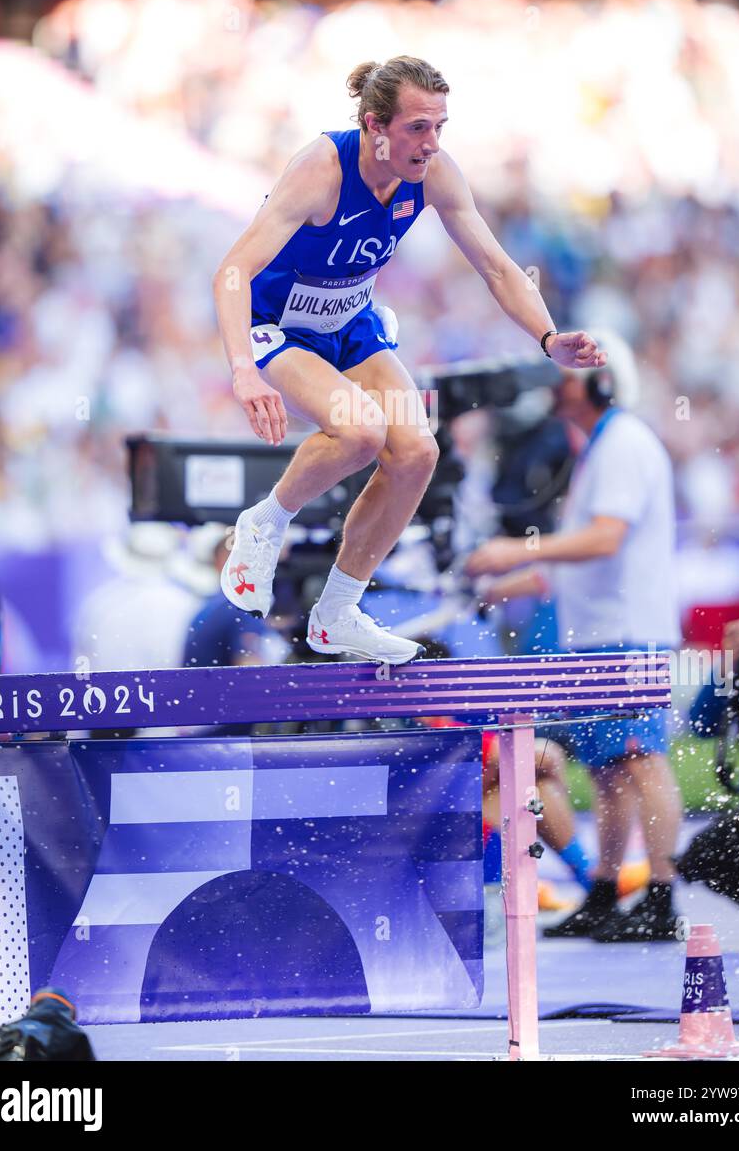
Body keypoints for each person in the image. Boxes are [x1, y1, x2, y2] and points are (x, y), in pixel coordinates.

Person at [212, 56, 606, 664]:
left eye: (440, 127)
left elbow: (498, 267)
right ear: (375, 126)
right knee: (360, 430)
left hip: (351, 323)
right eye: (417, 129)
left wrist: (549, 338)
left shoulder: (436, 174)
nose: (431, 145)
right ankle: (264, 524)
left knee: (417, 451)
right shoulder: (320, 169)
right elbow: (234, 269)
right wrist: (242, 367)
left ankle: (337, 612)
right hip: (277, 324)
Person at [465, 330, 683, 941]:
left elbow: (604, 539)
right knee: (609, 769)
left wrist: (515, 549)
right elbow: (576, 557)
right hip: (600, 632)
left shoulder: (624, 444)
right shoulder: (602, 447)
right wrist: (507, 578)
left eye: (565, 376)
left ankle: (662, 896)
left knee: (641, 761)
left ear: (600, 379)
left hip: (625, 632)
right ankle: (609, 890)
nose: (554, 389)